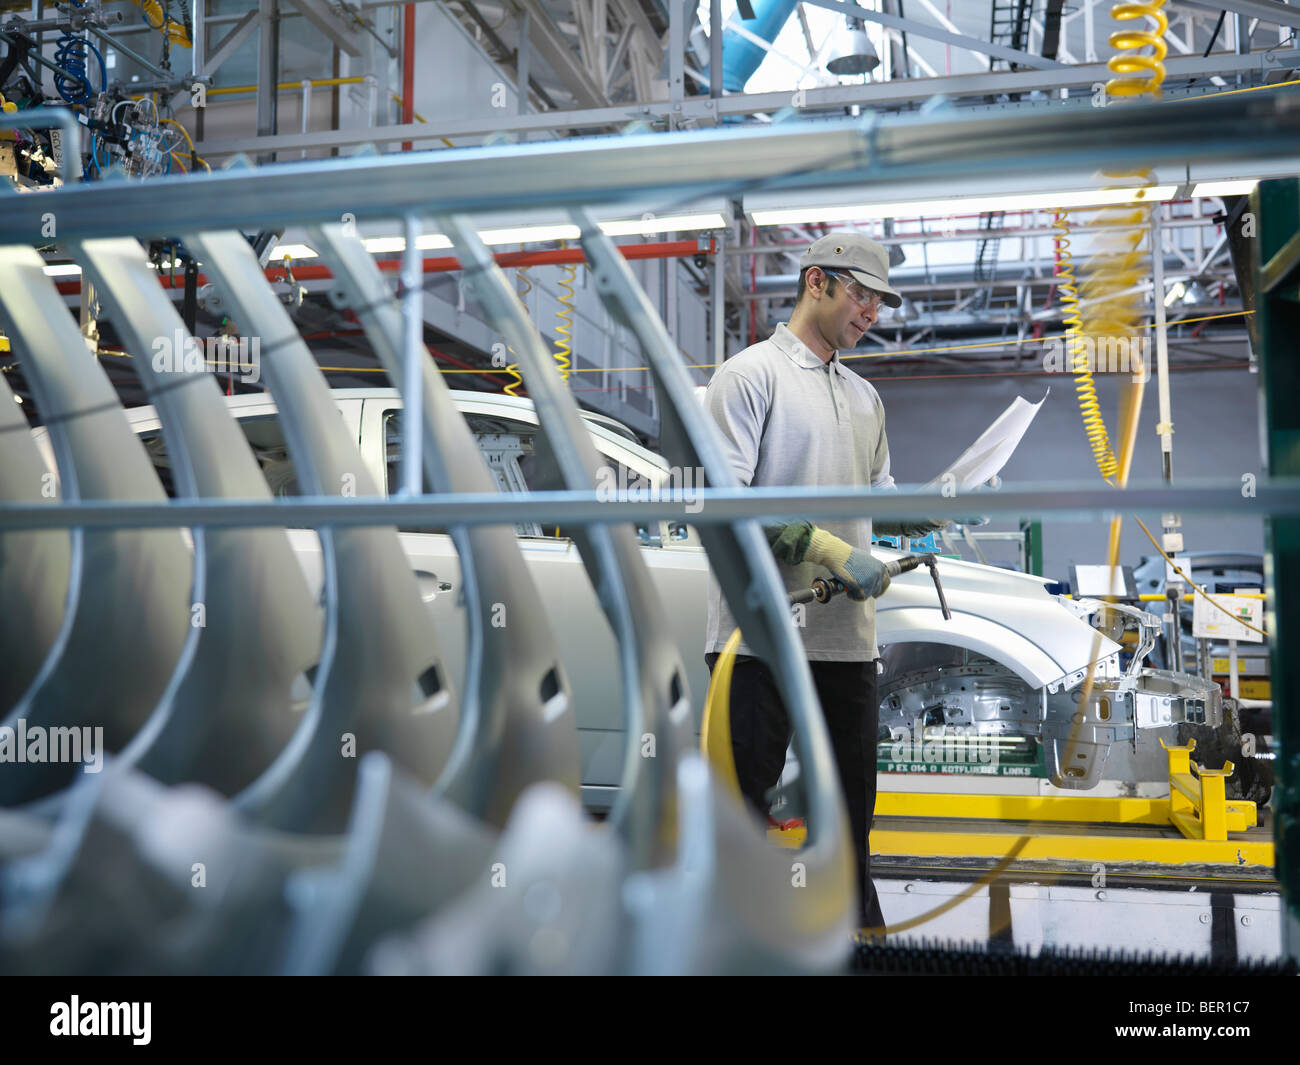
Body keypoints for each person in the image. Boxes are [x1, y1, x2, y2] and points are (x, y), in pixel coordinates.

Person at [703, 231, 943, 932]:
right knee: (741, 820)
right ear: (817, 282)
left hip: (844, 646)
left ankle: (851, 945)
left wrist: (925, 511)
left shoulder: (866, 397)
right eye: (861, 294)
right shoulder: (749, 376)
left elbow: (882, 492)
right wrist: (827, 545)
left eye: (880, 302)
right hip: (758, 642)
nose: (871, 312)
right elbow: (723, 500)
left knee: (847, 829)